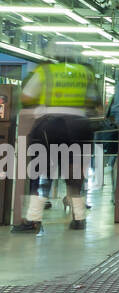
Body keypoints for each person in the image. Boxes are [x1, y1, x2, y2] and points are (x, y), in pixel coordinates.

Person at [12, 42, 102, 233]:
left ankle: (33, 220)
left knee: (42, 173)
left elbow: (26, 97)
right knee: (74, 175)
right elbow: (93, 100)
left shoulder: (46, 71)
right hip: (80, 125)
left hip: (51, 125)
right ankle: (79, 218)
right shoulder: (85, 73)